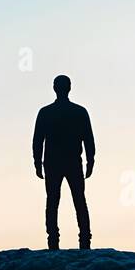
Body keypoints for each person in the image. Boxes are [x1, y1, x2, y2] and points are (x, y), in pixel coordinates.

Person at [32, 75, 95, 250]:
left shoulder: (45, 112)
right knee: (78, 200)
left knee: (53, 200)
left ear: (54, 88)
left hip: (54, 163)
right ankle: (84, 240)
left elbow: (37, 141)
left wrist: (37, 162)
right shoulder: (79, 112)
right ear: (69, 87)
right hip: (72, 162)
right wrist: (91, 160)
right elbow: (88, 139)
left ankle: (54, 241)